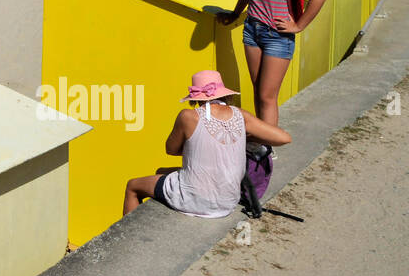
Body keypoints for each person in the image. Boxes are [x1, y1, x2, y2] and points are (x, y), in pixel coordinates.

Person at [123, 70, 292, 219]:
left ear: (196, 98)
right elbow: (284, 138)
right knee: (161, 173)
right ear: (225, 94)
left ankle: (127, 240)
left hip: (194, 200)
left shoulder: (188, 116)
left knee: (133, 186)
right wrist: (244, 137)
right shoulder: (241, 116)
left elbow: (171, 149)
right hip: (228, 201)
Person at [216, 0, 326, 127]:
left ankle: (267, 147)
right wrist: (235, 14)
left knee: (267, 97)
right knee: (258, 90)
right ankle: (262, 140)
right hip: (251, 31)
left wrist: (298, 26)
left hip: (277, 36)